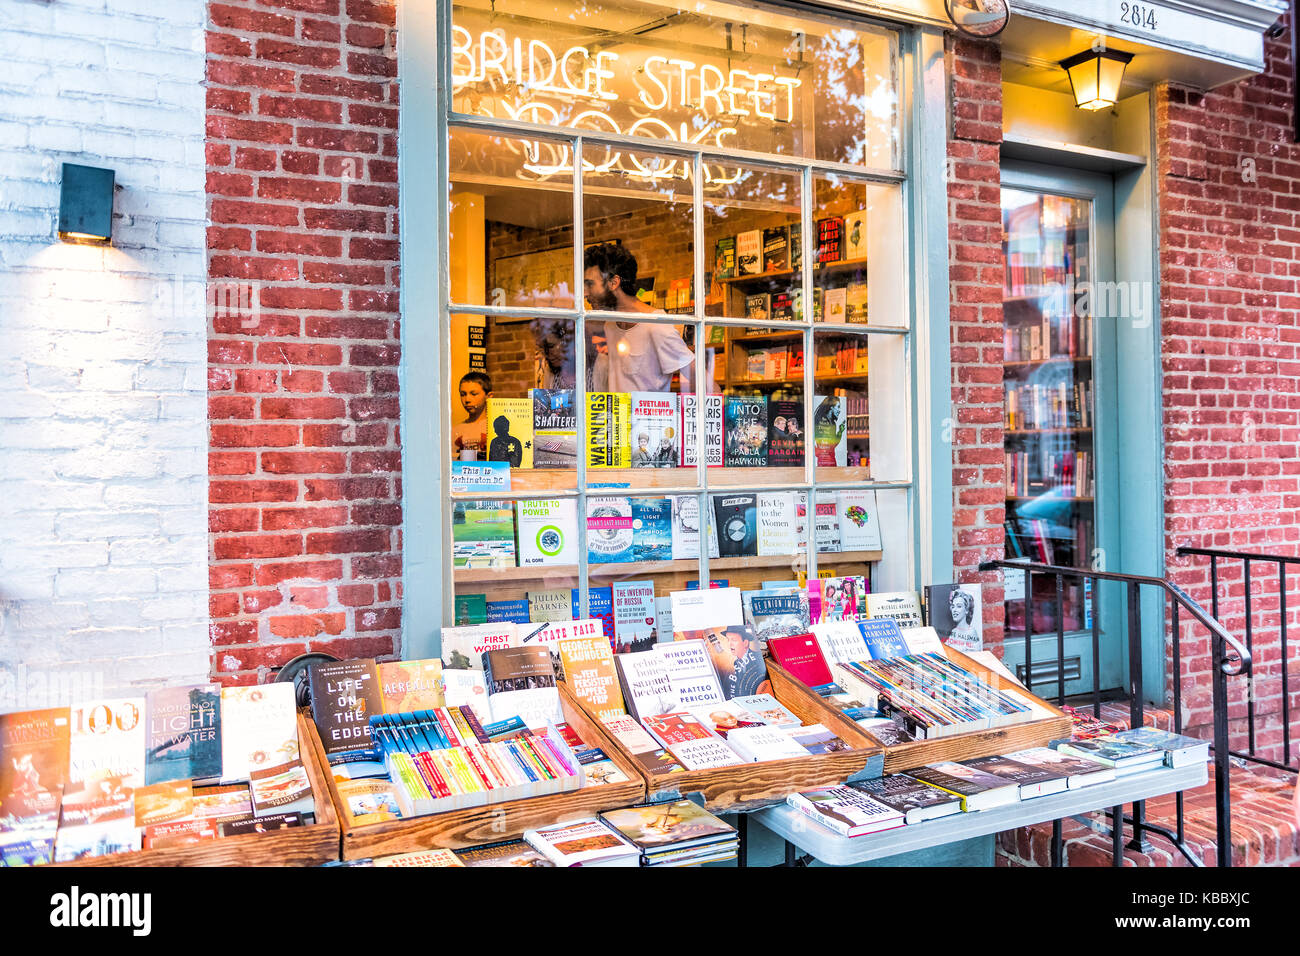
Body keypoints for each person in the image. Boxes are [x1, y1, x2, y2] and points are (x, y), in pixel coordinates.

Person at [584, 243, 694, 393]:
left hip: (651, 416)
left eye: (590, 284)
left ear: (614, 283)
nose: (585, 293)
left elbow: (705, 384)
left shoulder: (656, 324)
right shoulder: (609, 325)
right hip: (615, 415)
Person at [452, 371, 491, 461]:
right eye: (463, 394)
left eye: (473, 394)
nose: (467, 399)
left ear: (489, 396)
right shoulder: (455, 431)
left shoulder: (494, 428)